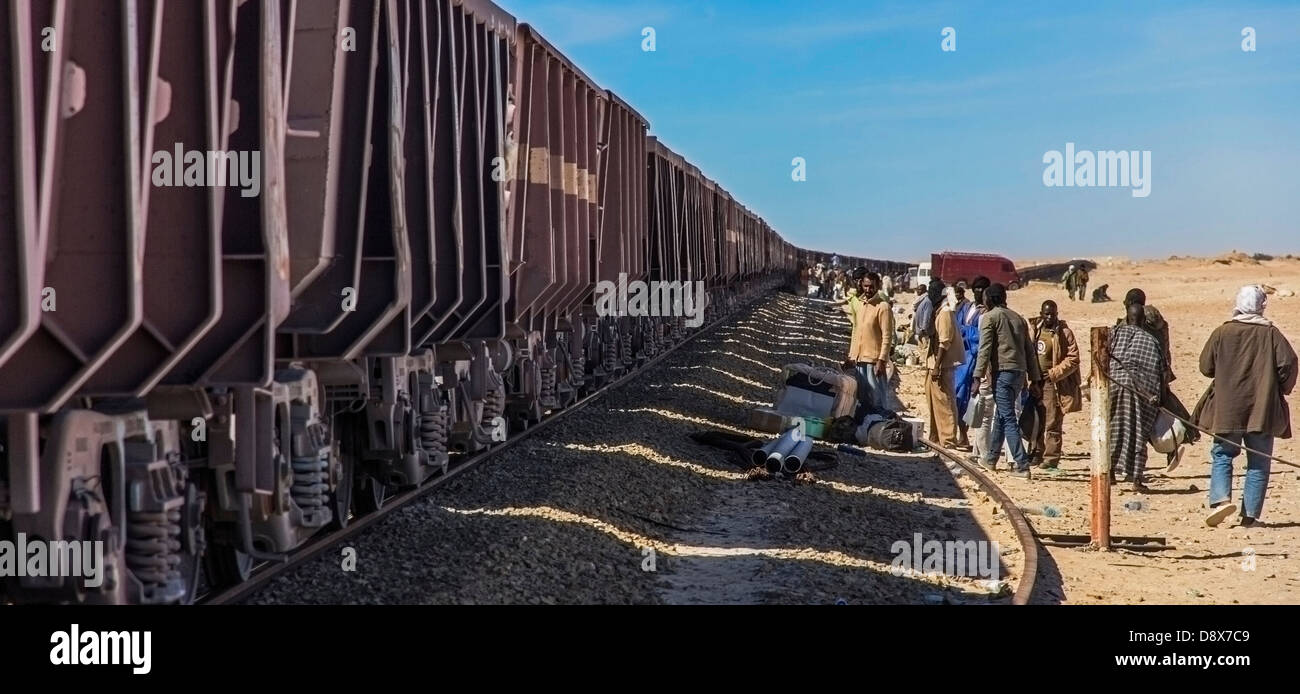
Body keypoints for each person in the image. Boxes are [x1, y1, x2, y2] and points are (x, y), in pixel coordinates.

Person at [1195, 286, 1297, 527]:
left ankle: (1220, 502)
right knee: (1259, 462)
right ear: (1261, 305)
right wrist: (1277, 387)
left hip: (1227, 408)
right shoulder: (1271, 334)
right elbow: (1288, 364)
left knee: (1222, 455)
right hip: (1262, 409)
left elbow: (1205, 366)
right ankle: (1249, 518)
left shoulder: (1222, 332)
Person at [973, 283, 1041, 477]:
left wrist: (977, 377)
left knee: (1008, 418)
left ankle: (1022, 465)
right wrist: (1034, 379)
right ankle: (991, 458)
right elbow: (1030, 351)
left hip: (1003, 374)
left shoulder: (990, 317)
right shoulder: (1018, 318)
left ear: (990, 299)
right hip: (1019, 374)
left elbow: (984, 349)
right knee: (1001, 416)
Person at [1107, 302, 1166, 491]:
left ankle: (1109, 474)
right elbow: (1159, 372)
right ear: (1143, 320)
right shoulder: (1151, 341)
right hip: (1141, 393)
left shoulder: (1113, 334)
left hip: (1113, 388)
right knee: (1138, 432)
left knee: (1112, 429)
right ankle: (1135, 479)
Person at [830, 270, 895, 415]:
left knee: (876, 400)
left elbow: (887, 336)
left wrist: (882, 360)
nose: (868, 290)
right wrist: (851, 356)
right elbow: (856, 332)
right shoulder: (860, 305)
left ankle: (879, 427)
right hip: (860, 361)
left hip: (873, 362)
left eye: (871, 286)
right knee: (861, 399)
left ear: (877, 286)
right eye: (866, 286)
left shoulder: (883, 307)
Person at [1027, 300, 1081, 469]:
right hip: (1036, 382)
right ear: (1041, 313)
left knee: (1052, 422)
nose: (1050, 317)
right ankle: (1035, 452)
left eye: (1053, 314)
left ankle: (1051, 458)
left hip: (1053, 384)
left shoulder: (1064, 333)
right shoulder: (1034, 330)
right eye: (1047, 314)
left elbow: (1073, 359)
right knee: (1035, 420)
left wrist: (1053, 373)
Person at [920, 283, 963, 448]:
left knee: (944, 401)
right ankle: (935, 436)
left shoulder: (945, 313)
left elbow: (944, 343)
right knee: (934, 402)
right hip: (933, 363)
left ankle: (948, 439)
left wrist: (937, 366)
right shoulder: (937, 310)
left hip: (942, 365)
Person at [954, 277, 990, 450]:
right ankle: (959, 434)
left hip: (975, 360)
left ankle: (966, 436)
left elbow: (980, 337)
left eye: (982, 289)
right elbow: (957, 325)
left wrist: (965, 331)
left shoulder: (986, 313)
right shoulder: (967, 307)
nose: (978, 292)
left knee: (970, 398)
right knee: (958, 395)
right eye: (976, 288)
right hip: (961, 359)